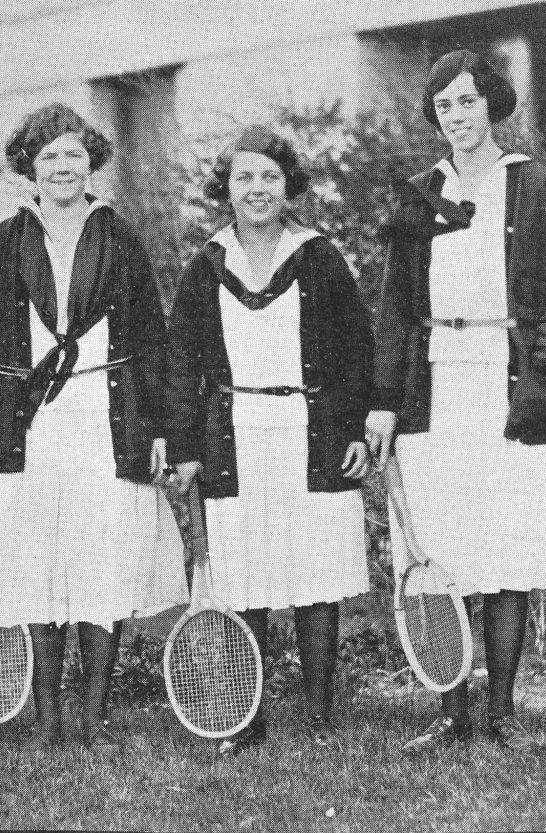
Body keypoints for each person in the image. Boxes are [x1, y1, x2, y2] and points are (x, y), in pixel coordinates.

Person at [366, 50, 546, 754]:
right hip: (435, 391)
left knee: (506, 548)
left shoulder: (536, 185)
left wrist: (543, 371)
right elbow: (396, 303)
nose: (457, 117)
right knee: (441, 550)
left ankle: (502, 713)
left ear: (490, 101)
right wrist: (385, 400)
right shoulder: (418, 196)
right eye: (444, 108)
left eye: (466, 101)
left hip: (508, 385)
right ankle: (451, 712)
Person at [0, 103, 188, 752]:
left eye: (74, 154)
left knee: (101, 567)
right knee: (37, 566)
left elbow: (152, 338)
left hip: (105, 423)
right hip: (28, 427)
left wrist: (163, 426)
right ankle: (48, 719)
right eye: (50, 155)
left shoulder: (120, 238)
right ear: (29, 166)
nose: (62, 166)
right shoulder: (5, 242)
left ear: (92, 163)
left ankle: (95, 716)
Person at [165, 125, 374, 756]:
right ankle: (247, 717)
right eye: (243, 178)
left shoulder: (320, 256)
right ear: (225, 190)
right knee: (244, 577)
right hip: (236, 440)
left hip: (311, 436)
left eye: (269, 177)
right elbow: (183, 362)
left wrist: (353, 428)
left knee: (315, 577)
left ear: (288, 186)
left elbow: (355, 352)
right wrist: (185, 446)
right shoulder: (205, 266)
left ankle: (318, 715)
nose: (257, 190)